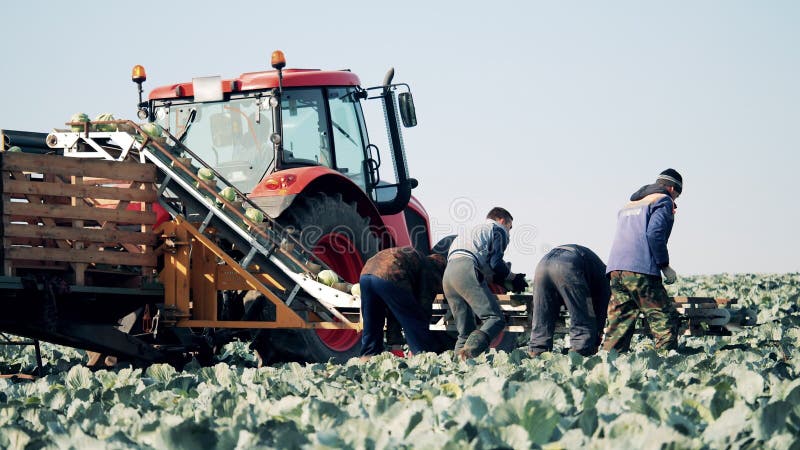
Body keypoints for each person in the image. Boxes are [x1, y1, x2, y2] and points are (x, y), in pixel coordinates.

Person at [603, 168, 683, 353]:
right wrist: (664, 265)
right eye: (677, 196)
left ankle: (609, 366)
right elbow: (654, 234)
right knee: (665, 320)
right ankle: (666, 365)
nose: (675, 201)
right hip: (641, 269)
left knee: (619, 326)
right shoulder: (663, 200)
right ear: (672, 188)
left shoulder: (630, 204)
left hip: (616, 269)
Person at [443, 207, 528, 359]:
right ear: (502, 220)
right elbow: (496, 264)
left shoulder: (472, 232)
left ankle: (457, 366)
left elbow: (488, 272)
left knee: (464, 333)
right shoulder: (498, 229)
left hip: (448, 275)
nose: (508, 232)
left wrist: (505, 277)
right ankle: (469, 355)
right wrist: (514, 278)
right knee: (495, 318)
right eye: (510, 228)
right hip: (465, 269)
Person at [359, 247, 447, 357]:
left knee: (372, 325)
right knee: (415, 322)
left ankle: (366, 358)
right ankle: (421, 357)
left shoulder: (417, 259)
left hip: (366, 274)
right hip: (390, 274)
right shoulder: (431, 269)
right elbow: (426, 302)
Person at [527, 244, 610, 357]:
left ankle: (536, 354)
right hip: (568, 266)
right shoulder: (605, 279)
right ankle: (580, 356)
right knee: (584, 322)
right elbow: (599, 311)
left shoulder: (597, 267)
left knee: (542, 319)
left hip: (543, 265)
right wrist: (596, 338)